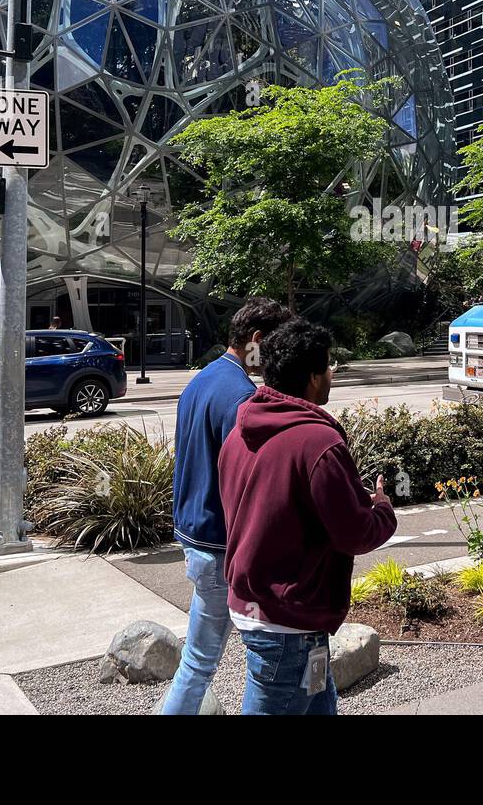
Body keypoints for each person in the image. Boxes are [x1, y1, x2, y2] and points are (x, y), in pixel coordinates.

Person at [218, 318, 396, 715]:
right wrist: (381, 507)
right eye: (329, 365)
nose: (332, 373)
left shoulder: (241, 428)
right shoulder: (319, 442)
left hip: (262, 609)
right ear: (314, 377)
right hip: (287, 621)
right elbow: (354, 533)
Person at [159, 296, 289, 716]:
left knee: (197, 659)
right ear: (255, 340)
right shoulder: (240, 397)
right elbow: (247, 483)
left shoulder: (202, 380)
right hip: (219, 546)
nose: (274, 356)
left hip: (195, 536)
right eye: (273, 345)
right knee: (259, 658)